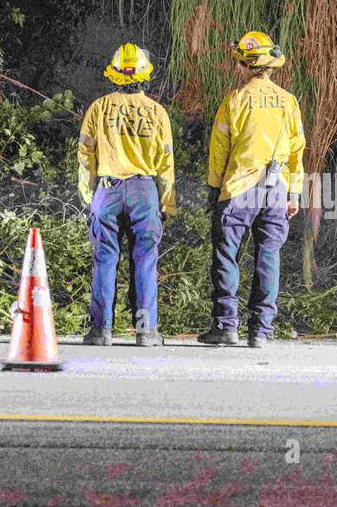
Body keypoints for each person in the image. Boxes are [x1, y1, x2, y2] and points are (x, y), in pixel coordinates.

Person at [199, 31, 305, 349]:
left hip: (238, 188)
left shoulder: (235, 100)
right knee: (268, 256)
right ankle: (260, 331)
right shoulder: (288, 101)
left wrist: (214, 188)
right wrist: (295, 192)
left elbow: (219, 149)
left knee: (227, 255)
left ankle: (225, 326)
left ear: (245, 64)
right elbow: (298, 148)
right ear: (272, 64)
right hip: (277, 189)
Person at [78, 43, 175, 347]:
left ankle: (100, 330)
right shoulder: (157, 112)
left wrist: (88, 195)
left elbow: (85, 156)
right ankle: (146, 331)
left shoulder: (99, 108)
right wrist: (166, 203)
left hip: (107, 190)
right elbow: (165, 163)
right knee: (145, 261)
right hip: (144, 191)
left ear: (115, 74)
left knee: (105, 259)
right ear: (146, 76)